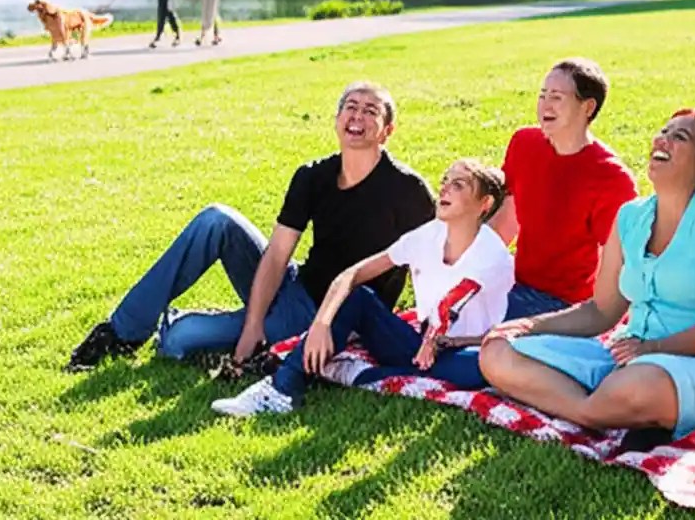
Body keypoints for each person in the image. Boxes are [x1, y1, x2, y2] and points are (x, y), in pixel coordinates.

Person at [66, 81, 436, 370]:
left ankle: (188, 324)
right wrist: (252, 325)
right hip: (295, 285)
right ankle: (120, 332)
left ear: (387, 130)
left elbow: (435, 261)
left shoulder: (408, 190)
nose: (357, 116)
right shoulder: (312, 176)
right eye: (350, 107)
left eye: (371, 111)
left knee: (176, 341)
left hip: (332, 314)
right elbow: (276, 253)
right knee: (216, 219)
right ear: (337, 121)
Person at [479, 109, 695, 452]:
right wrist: (527, 327)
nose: (663, 140)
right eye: (663, 131)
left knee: (639, 384)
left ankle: (595, 407)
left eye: (680, 137)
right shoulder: (631, 216)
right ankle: (593, 412)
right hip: (628, 357)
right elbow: (601, 311)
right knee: (496, 351)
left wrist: (657, 349)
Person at [210, 159, 513, 416]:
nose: (445, 187)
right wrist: (321, 323)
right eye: (446, 180)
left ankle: (375, 375)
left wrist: (441, 343)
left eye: (459, 185)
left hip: (472, 352)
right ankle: (282, 389)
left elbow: (451, 306)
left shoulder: (490, 253)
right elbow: (351, 275)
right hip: (419, 345)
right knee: (358, 298)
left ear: (484, 205)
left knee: (485, 369)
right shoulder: (428, 235)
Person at [487, 58, 638, 319]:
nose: (545, 105)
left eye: (557, 97)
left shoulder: (611, 177)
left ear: (587, 107)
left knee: (464, 333)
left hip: (562, 306)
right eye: (542, 95)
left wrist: (601, 323)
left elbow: (619, 264)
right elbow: (506, 222)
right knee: (438, 315)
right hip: (514, 285)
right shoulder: (524, 144)